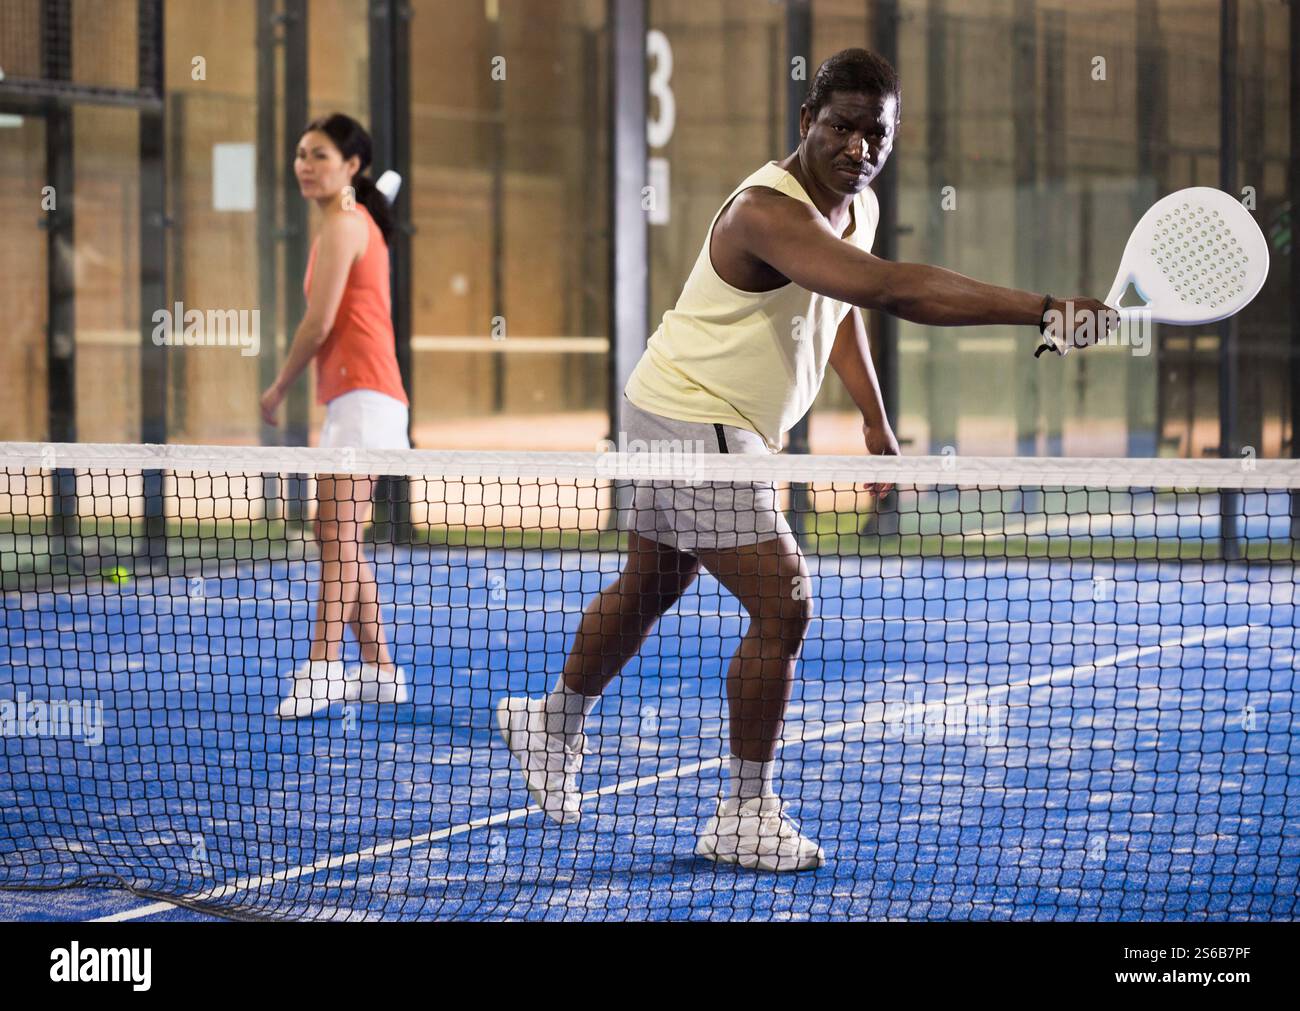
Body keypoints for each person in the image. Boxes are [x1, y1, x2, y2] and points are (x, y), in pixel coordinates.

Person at [497, 48, 1115, 871]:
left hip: (673, 405)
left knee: (650, 583)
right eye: (843, 127)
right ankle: (744, 814)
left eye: (876, 133)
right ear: (806, 124)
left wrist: (872, 415)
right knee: (784, 606)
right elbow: (893, 289)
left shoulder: (852, 206)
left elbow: (845, 298)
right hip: (695, 418)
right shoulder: (765, 211)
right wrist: (1040, 308)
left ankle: (553, 722)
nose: (859, 147)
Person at [261, 113, 411, 719]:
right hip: (354, 399)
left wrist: (276, 387)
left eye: (318, 155)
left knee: (340, 535)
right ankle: (378, 670)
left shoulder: (346, 225)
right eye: (300, 153)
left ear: (351, 166)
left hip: (366, 397)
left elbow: (319, 324)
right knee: (337, 533)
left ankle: (323, 667)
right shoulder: (351, 223)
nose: (304, 164)